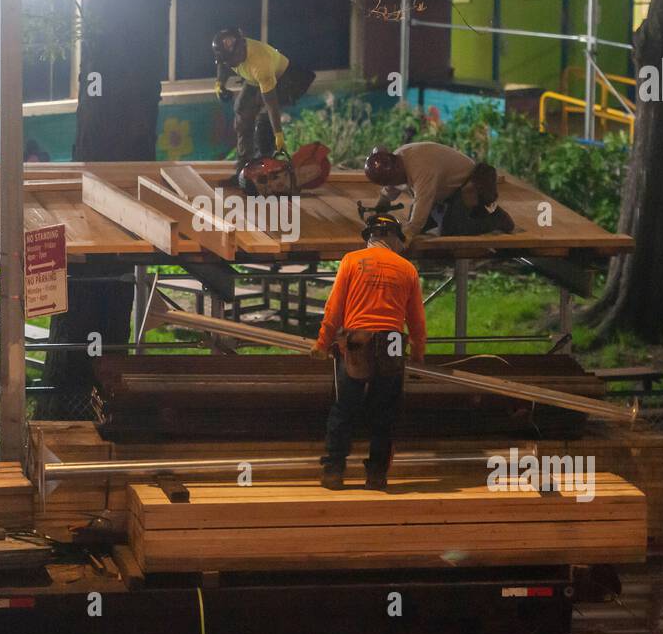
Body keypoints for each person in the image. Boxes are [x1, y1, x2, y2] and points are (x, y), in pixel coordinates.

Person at [309, 212, 426, 491]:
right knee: (384, 411)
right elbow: (416, 318)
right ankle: (376, 476)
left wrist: (322, 343)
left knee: (344, 408)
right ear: (393, 238)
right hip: (393, 341)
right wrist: (418, 353)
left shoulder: (352, 261)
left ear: (371, 238)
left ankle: (334, 472)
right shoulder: (407, 268)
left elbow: (334, 308)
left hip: (357, 340)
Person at [363, 141, 514, 243]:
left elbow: (421, 205)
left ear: (395, 172)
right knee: (419, 223)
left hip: (466, 184)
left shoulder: (421, 169)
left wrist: (405, 237)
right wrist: (377, 212)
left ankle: (496, 219)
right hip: (444, 190)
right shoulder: (395, 161)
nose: (391, 185)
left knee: (452, 230)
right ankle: (461, 214)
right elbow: (388, 192)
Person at [211, 27, 316, 174]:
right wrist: (219, 84)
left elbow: (272, 105)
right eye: (226, 60)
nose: (231, 64)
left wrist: (278, 135)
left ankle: (265, 166)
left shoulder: (260, 64)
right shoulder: (228, 58)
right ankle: (244, 168)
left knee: (264, 120)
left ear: (242, 48)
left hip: (284, 80)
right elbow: (222, 66)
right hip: (253, 79)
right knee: (241, 110)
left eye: (232, 60)